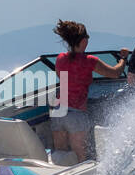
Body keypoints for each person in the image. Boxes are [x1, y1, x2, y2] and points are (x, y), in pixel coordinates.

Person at [51, 20, 128, 163]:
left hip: (58, 112)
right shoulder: (90, 61)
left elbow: (61, 76)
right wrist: (123, 58)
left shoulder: (60, 58)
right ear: (83, 40)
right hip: (76, 115)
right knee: (82, 158)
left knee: (61, 156)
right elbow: (115, 73)